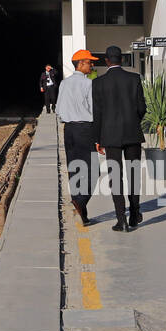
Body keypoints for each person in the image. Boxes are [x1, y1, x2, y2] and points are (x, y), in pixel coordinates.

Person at [92, 45, 146, 233]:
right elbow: (142, 108)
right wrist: (132, 121)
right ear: (121, 59)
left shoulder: (98, 83)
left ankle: (121, 219)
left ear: (107, 61)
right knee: (133, 174)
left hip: (110, 136)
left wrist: (98, 139)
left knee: (116, 176)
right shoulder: (134, 79)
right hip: (132, 134)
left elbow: (97, 114)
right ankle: (135, 214)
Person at [57, 50, 100, 226]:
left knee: (74, 168)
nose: (92, 65)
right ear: (81, 63)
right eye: (90, 62)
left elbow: (59, 109)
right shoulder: (88, 84)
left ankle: (82, 211)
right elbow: (94, 109)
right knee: (92, 170)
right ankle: (80, 201)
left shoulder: (64, 84)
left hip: (69, 129)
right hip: (85, 129)